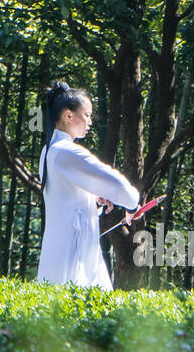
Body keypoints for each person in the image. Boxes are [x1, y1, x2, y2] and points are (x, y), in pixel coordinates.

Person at [35, 81, 140, 289]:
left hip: (59, 245)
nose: (90, 121)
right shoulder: (67, 151)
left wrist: (94, 198)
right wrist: (132, 204)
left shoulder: (49, 151)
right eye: (87, 114)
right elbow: (114, 180)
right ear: (68, 116)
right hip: (75, 248)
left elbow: (67, 194)